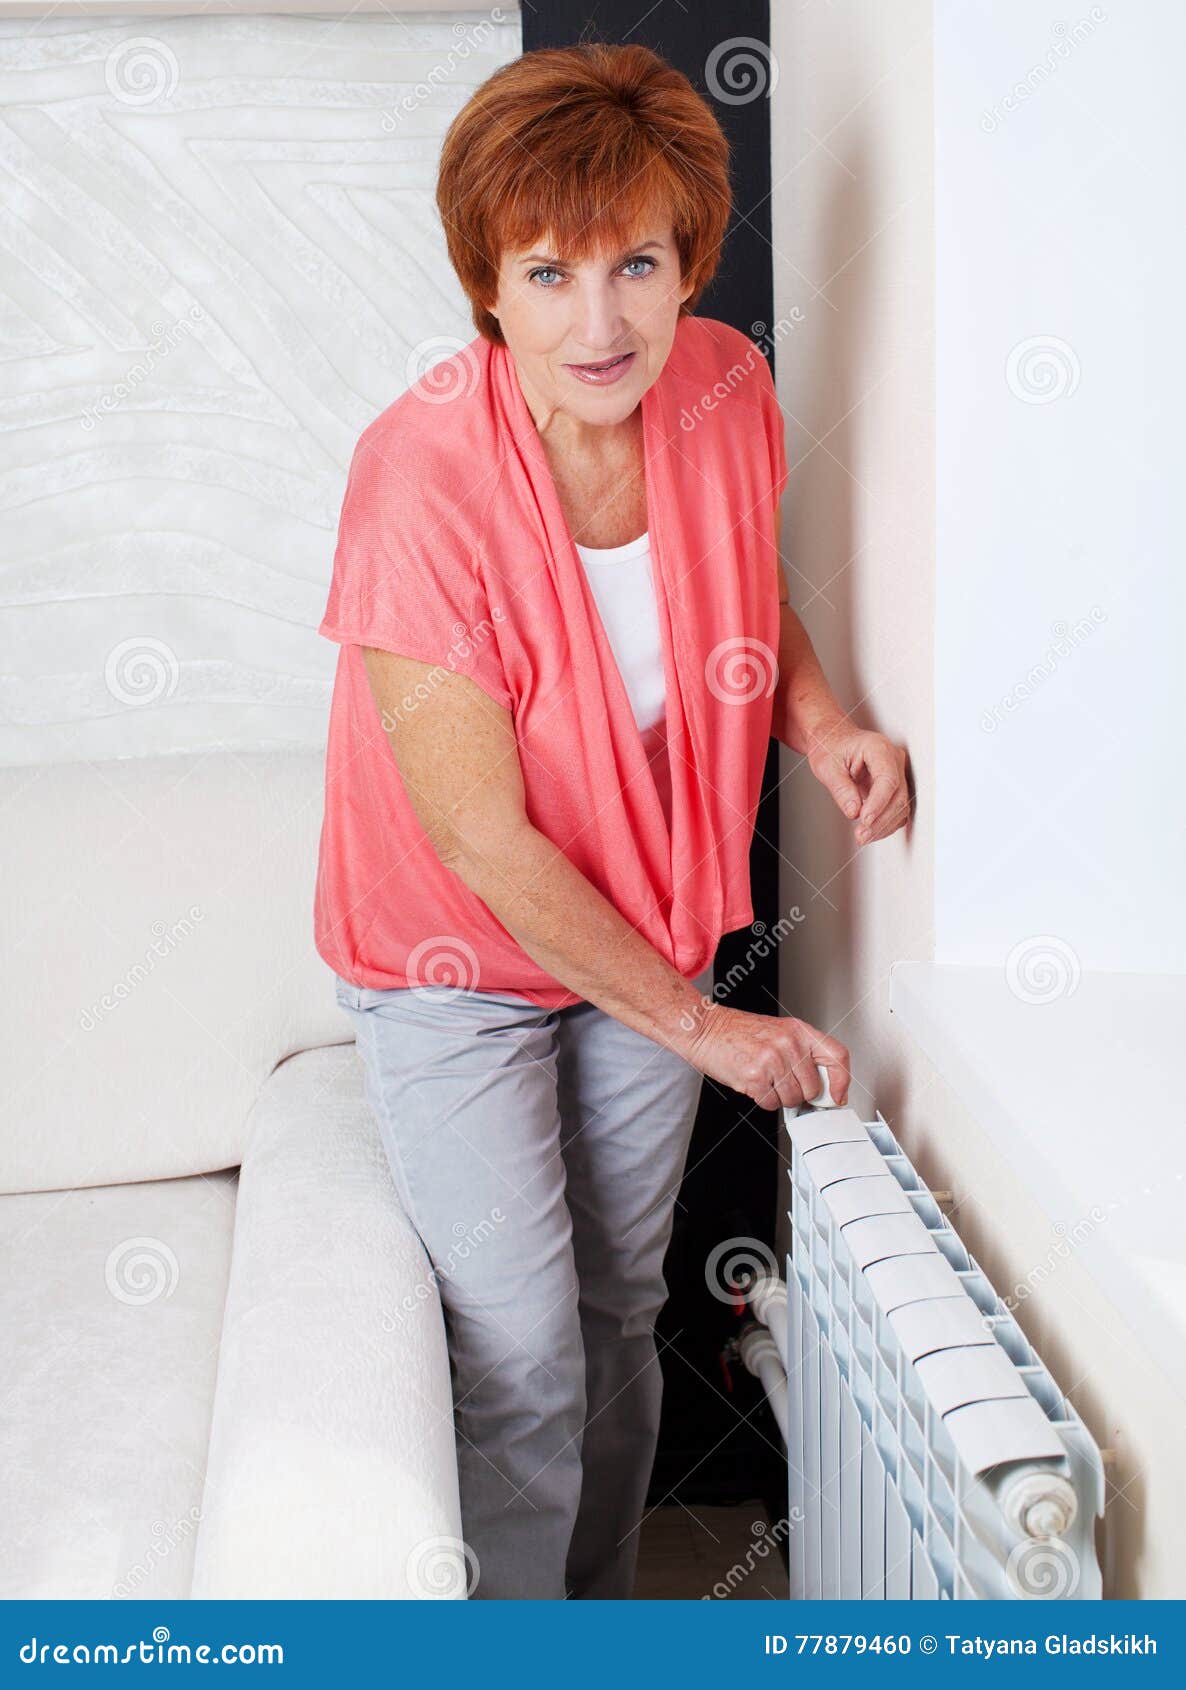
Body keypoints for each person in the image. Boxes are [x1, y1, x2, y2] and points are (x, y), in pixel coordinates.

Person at [314, 41, 910, 1600]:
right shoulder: (419, 475)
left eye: (636, 264)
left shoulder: (721, 382)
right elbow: (484, 843)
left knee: (614, 1302)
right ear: (487, 281)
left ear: (686, 261)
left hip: (647, 923)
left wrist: (822, 718)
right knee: (516, 1348)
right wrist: (706, 1029)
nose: (601, 320)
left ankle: (591, 1615)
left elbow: (735, 592)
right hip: (457, 961)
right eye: (549, 270)